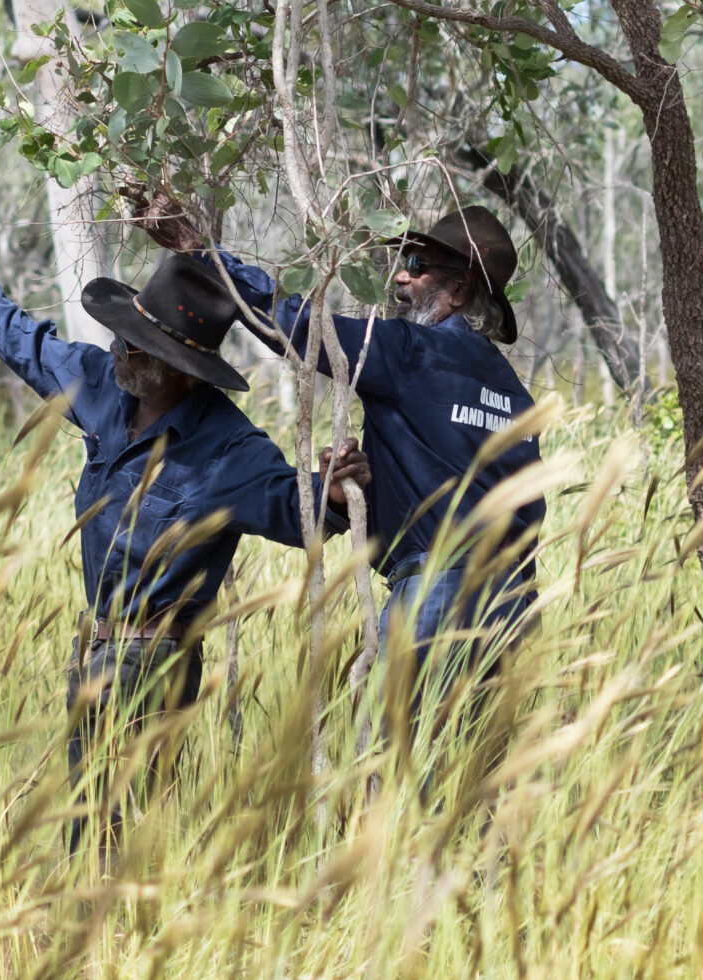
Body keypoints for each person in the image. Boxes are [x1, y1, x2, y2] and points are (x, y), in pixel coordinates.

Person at [0, 197, 370, 855]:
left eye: (134, 342)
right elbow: (23, 339)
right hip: (97, 651)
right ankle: (97, 945)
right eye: (122, 334)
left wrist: (333, 491)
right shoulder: (107, 390)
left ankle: (109, 943)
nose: (116, 347)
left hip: (155, 662)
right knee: (89, 826)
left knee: (116, 833)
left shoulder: (226, 448)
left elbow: (293, 506)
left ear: (176, 366)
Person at [134, 198, 544, 713]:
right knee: (482, 784)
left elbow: (301, 327)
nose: (399, 277)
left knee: (403, 776)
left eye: (418, 268)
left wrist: (204, 254)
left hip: (440, 597)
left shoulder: (411, 352)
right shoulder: (517, 397)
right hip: (517, 606)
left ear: (459, 290)